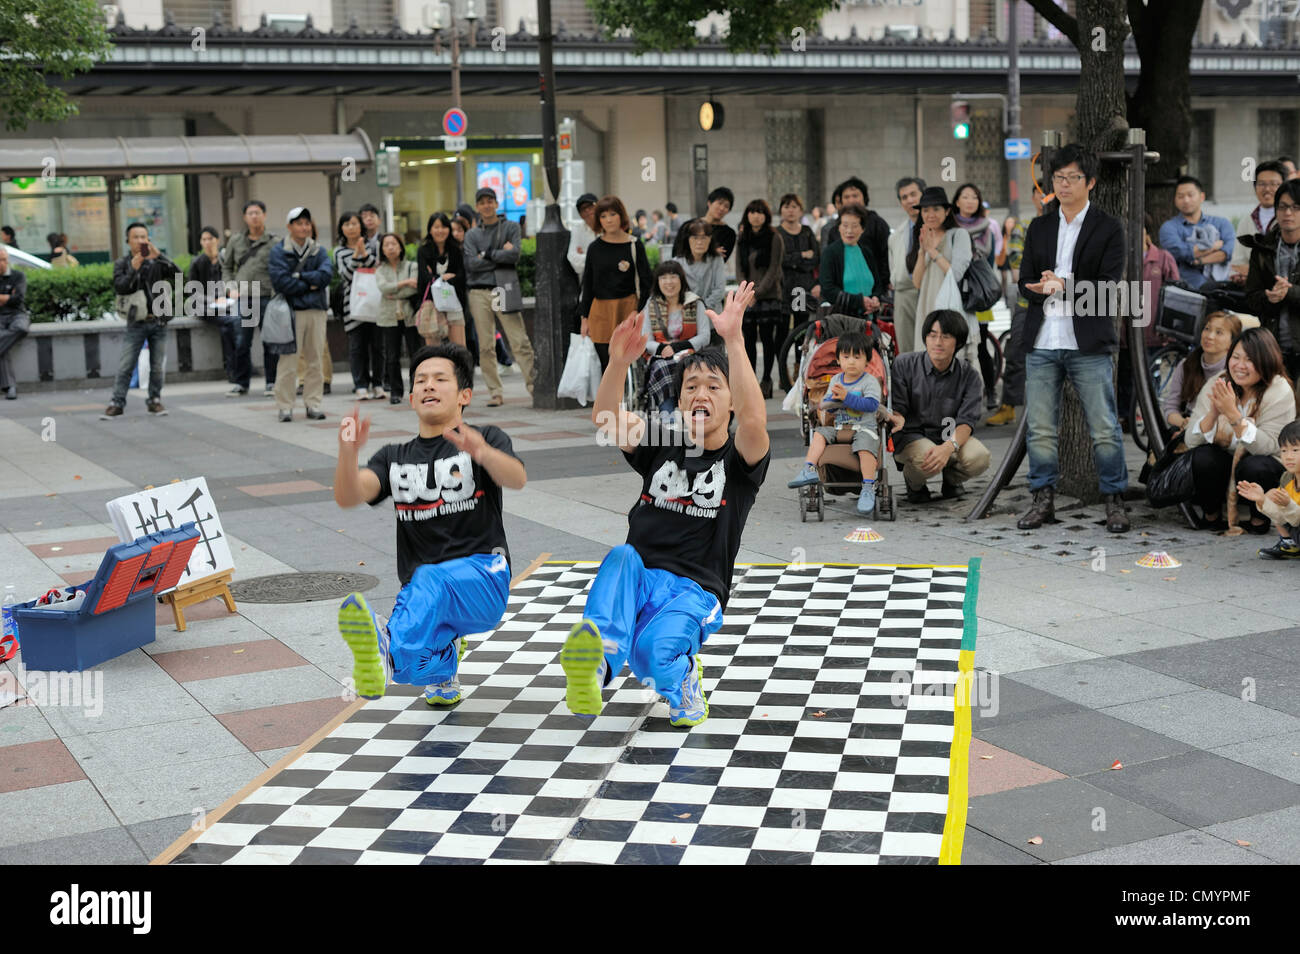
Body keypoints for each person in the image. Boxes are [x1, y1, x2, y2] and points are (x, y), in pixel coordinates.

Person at [561, 283, 769, 727]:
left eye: (714, 387)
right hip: (640, 578)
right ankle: (597, 661)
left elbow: (755, 420)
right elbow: (607, 420)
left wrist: (733, 340)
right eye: (691, 386)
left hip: (695, 589)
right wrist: (617, 362)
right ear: (678, 400)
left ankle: (684, 681)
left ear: (730, 402)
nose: (701, 395)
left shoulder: (739, 461)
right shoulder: (661, 444)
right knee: (621, 557)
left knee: (653, 654)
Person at [334, 343, 527, 704]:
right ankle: (442, 668)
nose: (428, 386)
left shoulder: (485, 439)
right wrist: (348, 453)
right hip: (424, 595)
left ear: (464, 394)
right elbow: (349, 495)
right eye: (420, 380)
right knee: (415, 661)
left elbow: (517, 478)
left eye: (440, 379)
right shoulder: (394, 457)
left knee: (427, 581)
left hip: (484, 579)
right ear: (410, 398)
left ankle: (384, 652)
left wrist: (481, 451)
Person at [1016, 143, 1131, 533]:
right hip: (1043, 340)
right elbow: (1023, 282)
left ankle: (1114, 500)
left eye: (1073, 178)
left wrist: (1064, 286)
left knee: (1103, 426)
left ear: (1091, 182)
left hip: (1088, 341)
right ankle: (1043, 499)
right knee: (1042, 428)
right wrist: (1041, 288)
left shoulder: (1109, 227)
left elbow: (1112, 288)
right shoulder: (1040, 226)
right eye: (1058, 177)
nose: (1064, 184)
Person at [1184, 328, 1298, 532]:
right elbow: (1190, 440)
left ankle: (1259, 519)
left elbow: (1271, 446)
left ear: (1266, 361)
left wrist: (1233, 416)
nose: (1240, 366)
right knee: (1203, 457)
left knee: (1257, 466)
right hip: (1225, 462)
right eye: (1235, 357)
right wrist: (1212, 414)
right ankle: (1211, 514)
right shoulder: (1219, 382)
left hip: (1264, 464)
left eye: (1249, 360)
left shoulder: (1279, 390)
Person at [887, 310, 991, 501]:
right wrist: (896, 417)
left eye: (945, 336)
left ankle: (951, 481)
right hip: (912, 438)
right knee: (925, 455)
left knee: (979, 457)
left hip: (948, 436)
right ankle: (914, 484)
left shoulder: (969, 375)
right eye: (932, 335)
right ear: (925, 338)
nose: (937, 342)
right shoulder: (904, 364)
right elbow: (897, 408)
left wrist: (948, 447)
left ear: (958, 342)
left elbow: (966, 422)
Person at [787, 331, 887, 513]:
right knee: (819, 434)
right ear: (839, 360)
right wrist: (831, 402)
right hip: (839, 427)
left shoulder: (869, 382)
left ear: (867, 361)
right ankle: (808, 468)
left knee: (866, 448)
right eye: (846, 356)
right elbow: (828, 407)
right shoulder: (835, 380)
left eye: (857, 357)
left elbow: (872, 405)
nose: (851, 361)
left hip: (864, 428)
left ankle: (867, 487)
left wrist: (847, 397)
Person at [463, 187, 537, 406]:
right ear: (477, 207)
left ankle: (534, 386)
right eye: (482, 202)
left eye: (490, 201)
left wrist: (485, 254)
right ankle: (495, 391)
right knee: (485, 345)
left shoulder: (511, 227)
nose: (487, 205)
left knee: (519, 340)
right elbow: (471, 264)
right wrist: (499, 255)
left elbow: (514, 255)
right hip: (478, 291)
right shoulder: (472, 234)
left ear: (496, 203)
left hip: (503, 287)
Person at [987, 190, 1051, 427]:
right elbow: (1017, 262)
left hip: (1060, 302)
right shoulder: (1024, 226)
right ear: (1033, 197)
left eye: (1049, 194)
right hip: (1028, 301)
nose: (1045, 198)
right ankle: (1009, 406)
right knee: (1016, 352)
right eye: (1040, 194)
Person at [103, 222, 180, 418]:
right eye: (136, 237)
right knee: (126, 364)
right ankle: (117, 402)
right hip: (136, 321)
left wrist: (160, 256)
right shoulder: (122, 263)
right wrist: (132, 269)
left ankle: (154, 400)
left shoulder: (156, 262)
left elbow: (178, 274)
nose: (140, 241)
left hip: (159, 320)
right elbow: (120, 287)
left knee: (156, 365)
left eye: (144, 237)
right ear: (128, 241)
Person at [268, 207, 332, 423]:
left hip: (316, 312)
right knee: (288, 361)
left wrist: (299, 277)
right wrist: (310, 284)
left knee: (315, 360)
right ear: (289, 226)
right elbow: (281, 282)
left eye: (307, 223)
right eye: (299, 223)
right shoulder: (279, 251)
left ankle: (313, 404)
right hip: (291, 313)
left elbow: (325, 276)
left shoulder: (319, 250)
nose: (304, 227)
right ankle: (285, 407)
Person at [578, 194, 653, 371]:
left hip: (628, 309)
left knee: (628, 362)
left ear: (621, 216)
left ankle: (629, 397)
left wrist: (637, 310)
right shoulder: (594, 248)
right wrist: (584, 318)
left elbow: (646, 283)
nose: (608, 220)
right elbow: (587, 284)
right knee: (606, 365)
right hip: (600, 312)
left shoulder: (634, 245)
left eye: (612, 214)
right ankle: (610, 399)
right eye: (603, 216)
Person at [908, 187, 978, 365]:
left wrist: (933, 252)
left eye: (936, 209)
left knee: (956, 363)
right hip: (927, 307)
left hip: (952, 308)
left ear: (947, 211)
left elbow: (955, 274)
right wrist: (922, 251)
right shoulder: (924, 237)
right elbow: (917, 283)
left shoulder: (958, 235)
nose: (930, 214)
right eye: (925, 210)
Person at [1242, 178, 1300, 379]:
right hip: (1273, 347)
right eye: (1282, 207)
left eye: (1296, 207)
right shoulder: (1262, 249)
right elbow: (1251, 296)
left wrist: (1289, 292)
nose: (1288, 213)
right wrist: (1269, 297)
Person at [638, 260, 711, 416]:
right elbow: (646, 339)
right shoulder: (651, 305)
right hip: (660, 357)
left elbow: (705, 336)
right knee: (663, 367)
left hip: (692, 355)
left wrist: (678, 347)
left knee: (689, 367)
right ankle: (668, 415)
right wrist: (663, 348)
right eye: (663, 278)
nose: (668, 282)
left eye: (673, 277)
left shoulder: (695, 303)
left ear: (681, 279)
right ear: (657, 282)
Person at [221, 199, 277, 396]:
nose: (254, 216)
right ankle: (241, 383)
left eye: (258, 212)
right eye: (250, 213)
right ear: (245, 217)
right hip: (244, 297)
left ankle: (272, 382)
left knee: (270, 341)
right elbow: (226, 267)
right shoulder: (236, 241)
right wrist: (230, 288)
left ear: (264, 215)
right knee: (242, 342)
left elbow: (281, 269)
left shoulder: (274, 242)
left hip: (267, 297)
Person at [736, 199, 785, 397]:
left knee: (767, 339)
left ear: (766, 216)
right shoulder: (743, 237)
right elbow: (739, 268)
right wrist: (745, 292)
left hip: (768, 295)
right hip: (747, 297)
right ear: (747, 215)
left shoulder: (774, 237)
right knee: (748, 340)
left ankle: (766, 379)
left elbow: (774, 269)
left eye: (760, 212)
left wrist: (756, 293)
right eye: (752, 211)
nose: (756, 215)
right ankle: (751, 380)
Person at [1161, 311, 1242, 431]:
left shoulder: (1235, 371)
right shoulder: (1186, 364)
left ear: (1232, 342)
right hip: (1187, 423)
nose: (1209, 336)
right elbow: (1171, 407)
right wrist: (1184, 423)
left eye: (1219, 332)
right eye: (1207, 329)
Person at [334, 211, 384, 400]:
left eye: (354, 223)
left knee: (378, 346)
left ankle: (378, 384)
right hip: (352, 304)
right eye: (346, 224)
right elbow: (346, 275)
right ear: (342, 229)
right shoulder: (339, 251)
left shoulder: (374, 246)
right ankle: (360, 385)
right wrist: (358, 254)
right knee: (357, 347)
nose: (351, 227)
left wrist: (365, 253)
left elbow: (378, 269)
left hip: (374, 302)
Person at [1159, 175, 1236, 290]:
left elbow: (1228, 252)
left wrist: (1198, 261)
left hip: (1224, 286)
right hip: (1187, 290)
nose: (1186, 200)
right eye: (1180, 196)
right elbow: (1180, 252)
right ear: (1175, 200)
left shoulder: (1221, 223)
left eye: (1190, 195)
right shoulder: (1168, 228)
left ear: (1202, 197)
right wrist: (1214, 247)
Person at [1238, 419, 1300, 559]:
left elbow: (1296, 519)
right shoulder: (1287, 477)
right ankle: (1289, 545)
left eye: (1295, 450)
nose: (1288, 456)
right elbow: (1280, 516)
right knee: (1275, 499)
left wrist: (1288, 505)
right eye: (1284, 450)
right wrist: (1262, 500)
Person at [187, 226, 239, 392]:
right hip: (205, 308)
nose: (207, 243)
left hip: (226, 307)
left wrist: (230, 295)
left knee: (228, 327)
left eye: (210, 239)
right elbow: (193, 291)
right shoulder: (197, 263)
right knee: (231, 323)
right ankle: (234, 368)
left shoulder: (225, 260)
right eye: (204, 240)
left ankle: (234, 368)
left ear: (217, 240)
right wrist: (214, 300)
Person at [777, 193, 819, 388]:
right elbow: (780, 260)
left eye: (794, 206)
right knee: (783, 330)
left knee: (800, 330)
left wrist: (795, 260)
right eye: (786, 206)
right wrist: (801, 255)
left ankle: (798, 368)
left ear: (801, 211)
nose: (790, 210)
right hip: (783, 288)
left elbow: (815, 259)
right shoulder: (777, 232)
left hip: (802, 289)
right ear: (781, 210)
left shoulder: (808, 232)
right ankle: (782, 371)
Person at [375, 231, 422, 404]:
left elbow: (415, 287)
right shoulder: (380, 270)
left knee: (415, 354)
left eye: (393, 244)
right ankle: (396, 391)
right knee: (392, 356)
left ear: (400, 247)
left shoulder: (412, 266)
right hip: (388, 317)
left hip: (410, 315)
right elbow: (383, 287)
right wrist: (404, 283)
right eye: (386, 245)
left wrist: (394, 291)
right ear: (382, 249)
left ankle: (416, 390)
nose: (390, 248)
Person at [819, 204, 884, 322]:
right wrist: (859, 301)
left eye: (855, 226)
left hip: (868, 321)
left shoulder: (867, 252)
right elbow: (827, 289)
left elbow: (877, 285)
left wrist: (875, 298)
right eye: (845, 225)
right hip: (841, 321)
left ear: (862, 229)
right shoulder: (831, 253)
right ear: (839, 227)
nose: (849, 231)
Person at [1227, 161, 1287, 290]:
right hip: (1252, 288)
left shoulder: (1290, 219)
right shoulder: (1246, 221)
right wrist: (1238, 276)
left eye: (1274, 184)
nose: (1267, 189)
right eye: (1262, 184)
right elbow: (1237, 263)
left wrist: (1254, 272)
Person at [416, 212, 469, 349]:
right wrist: (444, 278)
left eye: (444, 227)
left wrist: (436, 278)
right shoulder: (423, 251)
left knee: (459, 348)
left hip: (454, 302)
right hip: (432, 305)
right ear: (430, 230)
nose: (440, 230)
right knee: (433, 349)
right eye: (436, 227)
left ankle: (459, 371)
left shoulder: (456, 250)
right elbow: (423, 278)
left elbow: (461, 277)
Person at [820, 177, 891, 277]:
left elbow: (886, 255)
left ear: (864, 198)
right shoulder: (835, 228)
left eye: (855, 196)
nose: (851, 200)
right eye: (846, 197)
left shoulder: (877, 223)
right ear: (841, 201)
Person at [888, 177, 926, 356]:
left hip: (929, 290)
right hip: (904, 294)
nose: (910, 200)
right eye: (904, 197)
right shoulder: (896, 236)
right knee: (907, 349)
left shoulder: (938, 228)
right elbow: (893, 269)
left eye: (913, 194)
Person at [671, 218, 726, 315]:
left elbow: (720, 290)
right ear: (688, 240)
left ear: (710, 239)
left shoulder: (717, 260)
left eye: (704, 238)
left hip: (711, 317)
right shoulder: (676, 263)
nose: (699, 242)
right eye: (695, 238)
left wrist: (702, 308)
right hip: (685, 317)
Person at [0, 248, 29, 400]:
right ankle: (10, 387)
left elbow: (18, 299)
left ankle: (9, 387)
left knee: (21, 328)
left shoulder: (18, 276)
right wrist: (6, 297)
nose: (2, 263)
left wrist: (5, 299)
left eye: (4, 260)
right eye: (0, 260)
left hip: (17, 314)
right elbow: (11, 298)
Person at [566, 192, 599, 284]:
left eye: (590, 206)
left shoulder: (607, 227)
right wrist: (599, 258)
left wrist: (585, 255)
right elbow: (572, 258)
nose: (588, 211)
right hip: (588, 283)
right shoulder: (577, 230)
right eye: (583, 209)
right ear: (580, 214)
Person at [703, 187, 736, 263]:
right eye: (720, 203)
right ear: (709, 203)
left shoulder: (729, 233)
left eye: (726, 206)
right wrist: (713, 251)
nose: (722, 208)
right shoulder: (689, 226)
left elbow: (721, 260)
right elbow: (678, 253)